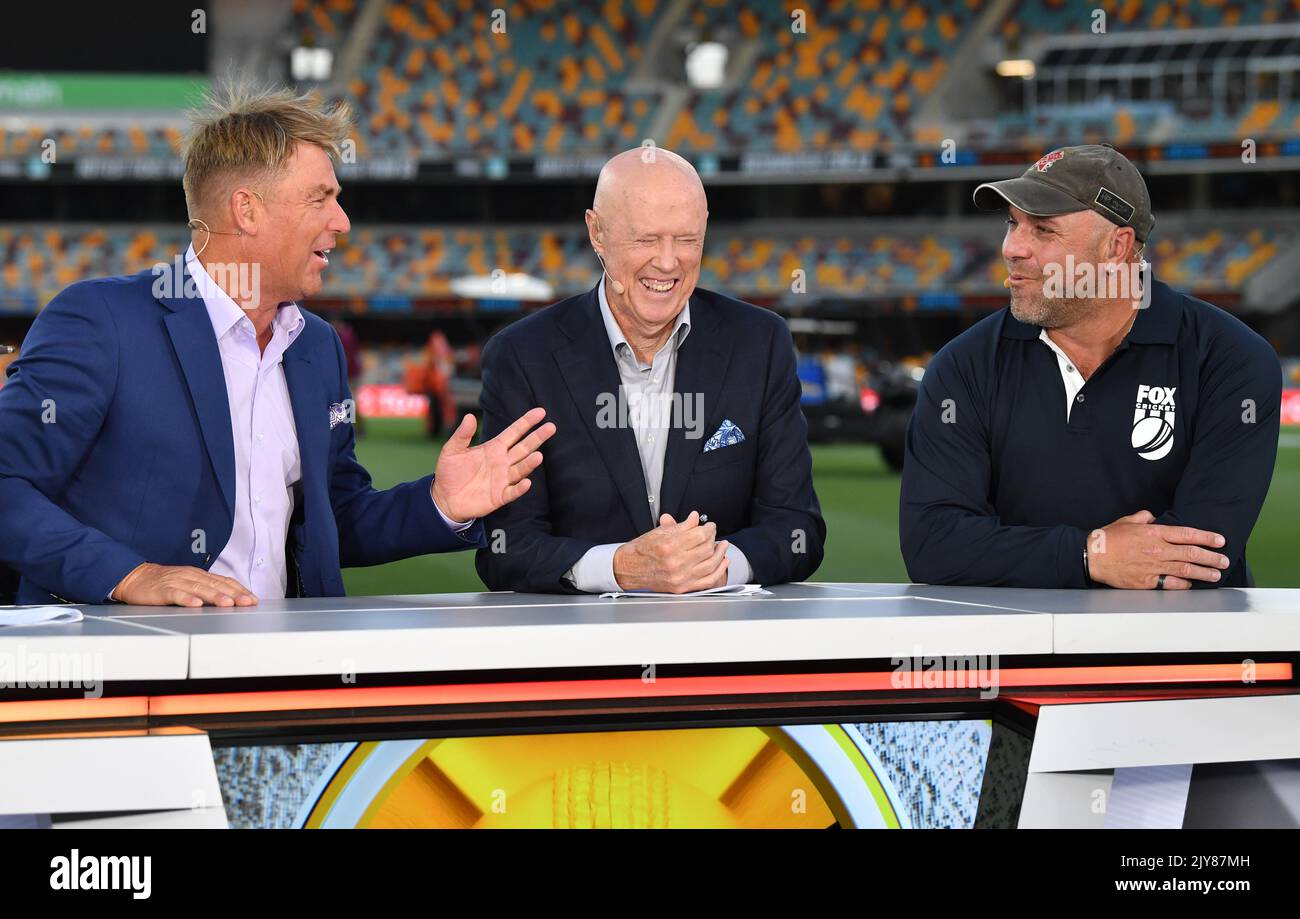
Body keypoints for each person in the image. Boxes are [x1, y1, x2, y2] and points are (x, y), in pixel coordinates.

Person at [0, 82, 554, 607]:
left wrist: (440, 504)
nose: (343, 221)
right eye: (322, 198)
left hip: (281, 673)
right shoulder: (102, 320)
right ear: (247, 210)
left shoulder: (316, 345)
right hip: (137, 671)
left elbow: (332, 519)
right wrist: (128, 576)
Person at [900, 144, 1281, 589]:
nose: (1011, 248)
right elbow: (933, 545)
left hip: (1179, 654)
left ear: (1117, 246)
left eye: (1043, 230)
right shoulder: (963, 365)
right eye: (1012, 223)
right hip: (1023, 652)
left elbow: (1198, 555)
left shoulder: (1228, 358)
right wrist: (1089, 555)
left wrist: (1018, 555)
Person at [475, 146, 825, 594]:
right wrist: (620, 568)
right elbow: (506, 547)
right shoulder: (522, 356)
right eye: (645, 239)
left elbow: (799, 531)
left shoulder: (761, 342)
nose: (667, 261)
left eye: (687, 239)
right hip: (581, 652)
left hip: (722, 651)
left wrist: (708, 566)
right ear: (597, 233)